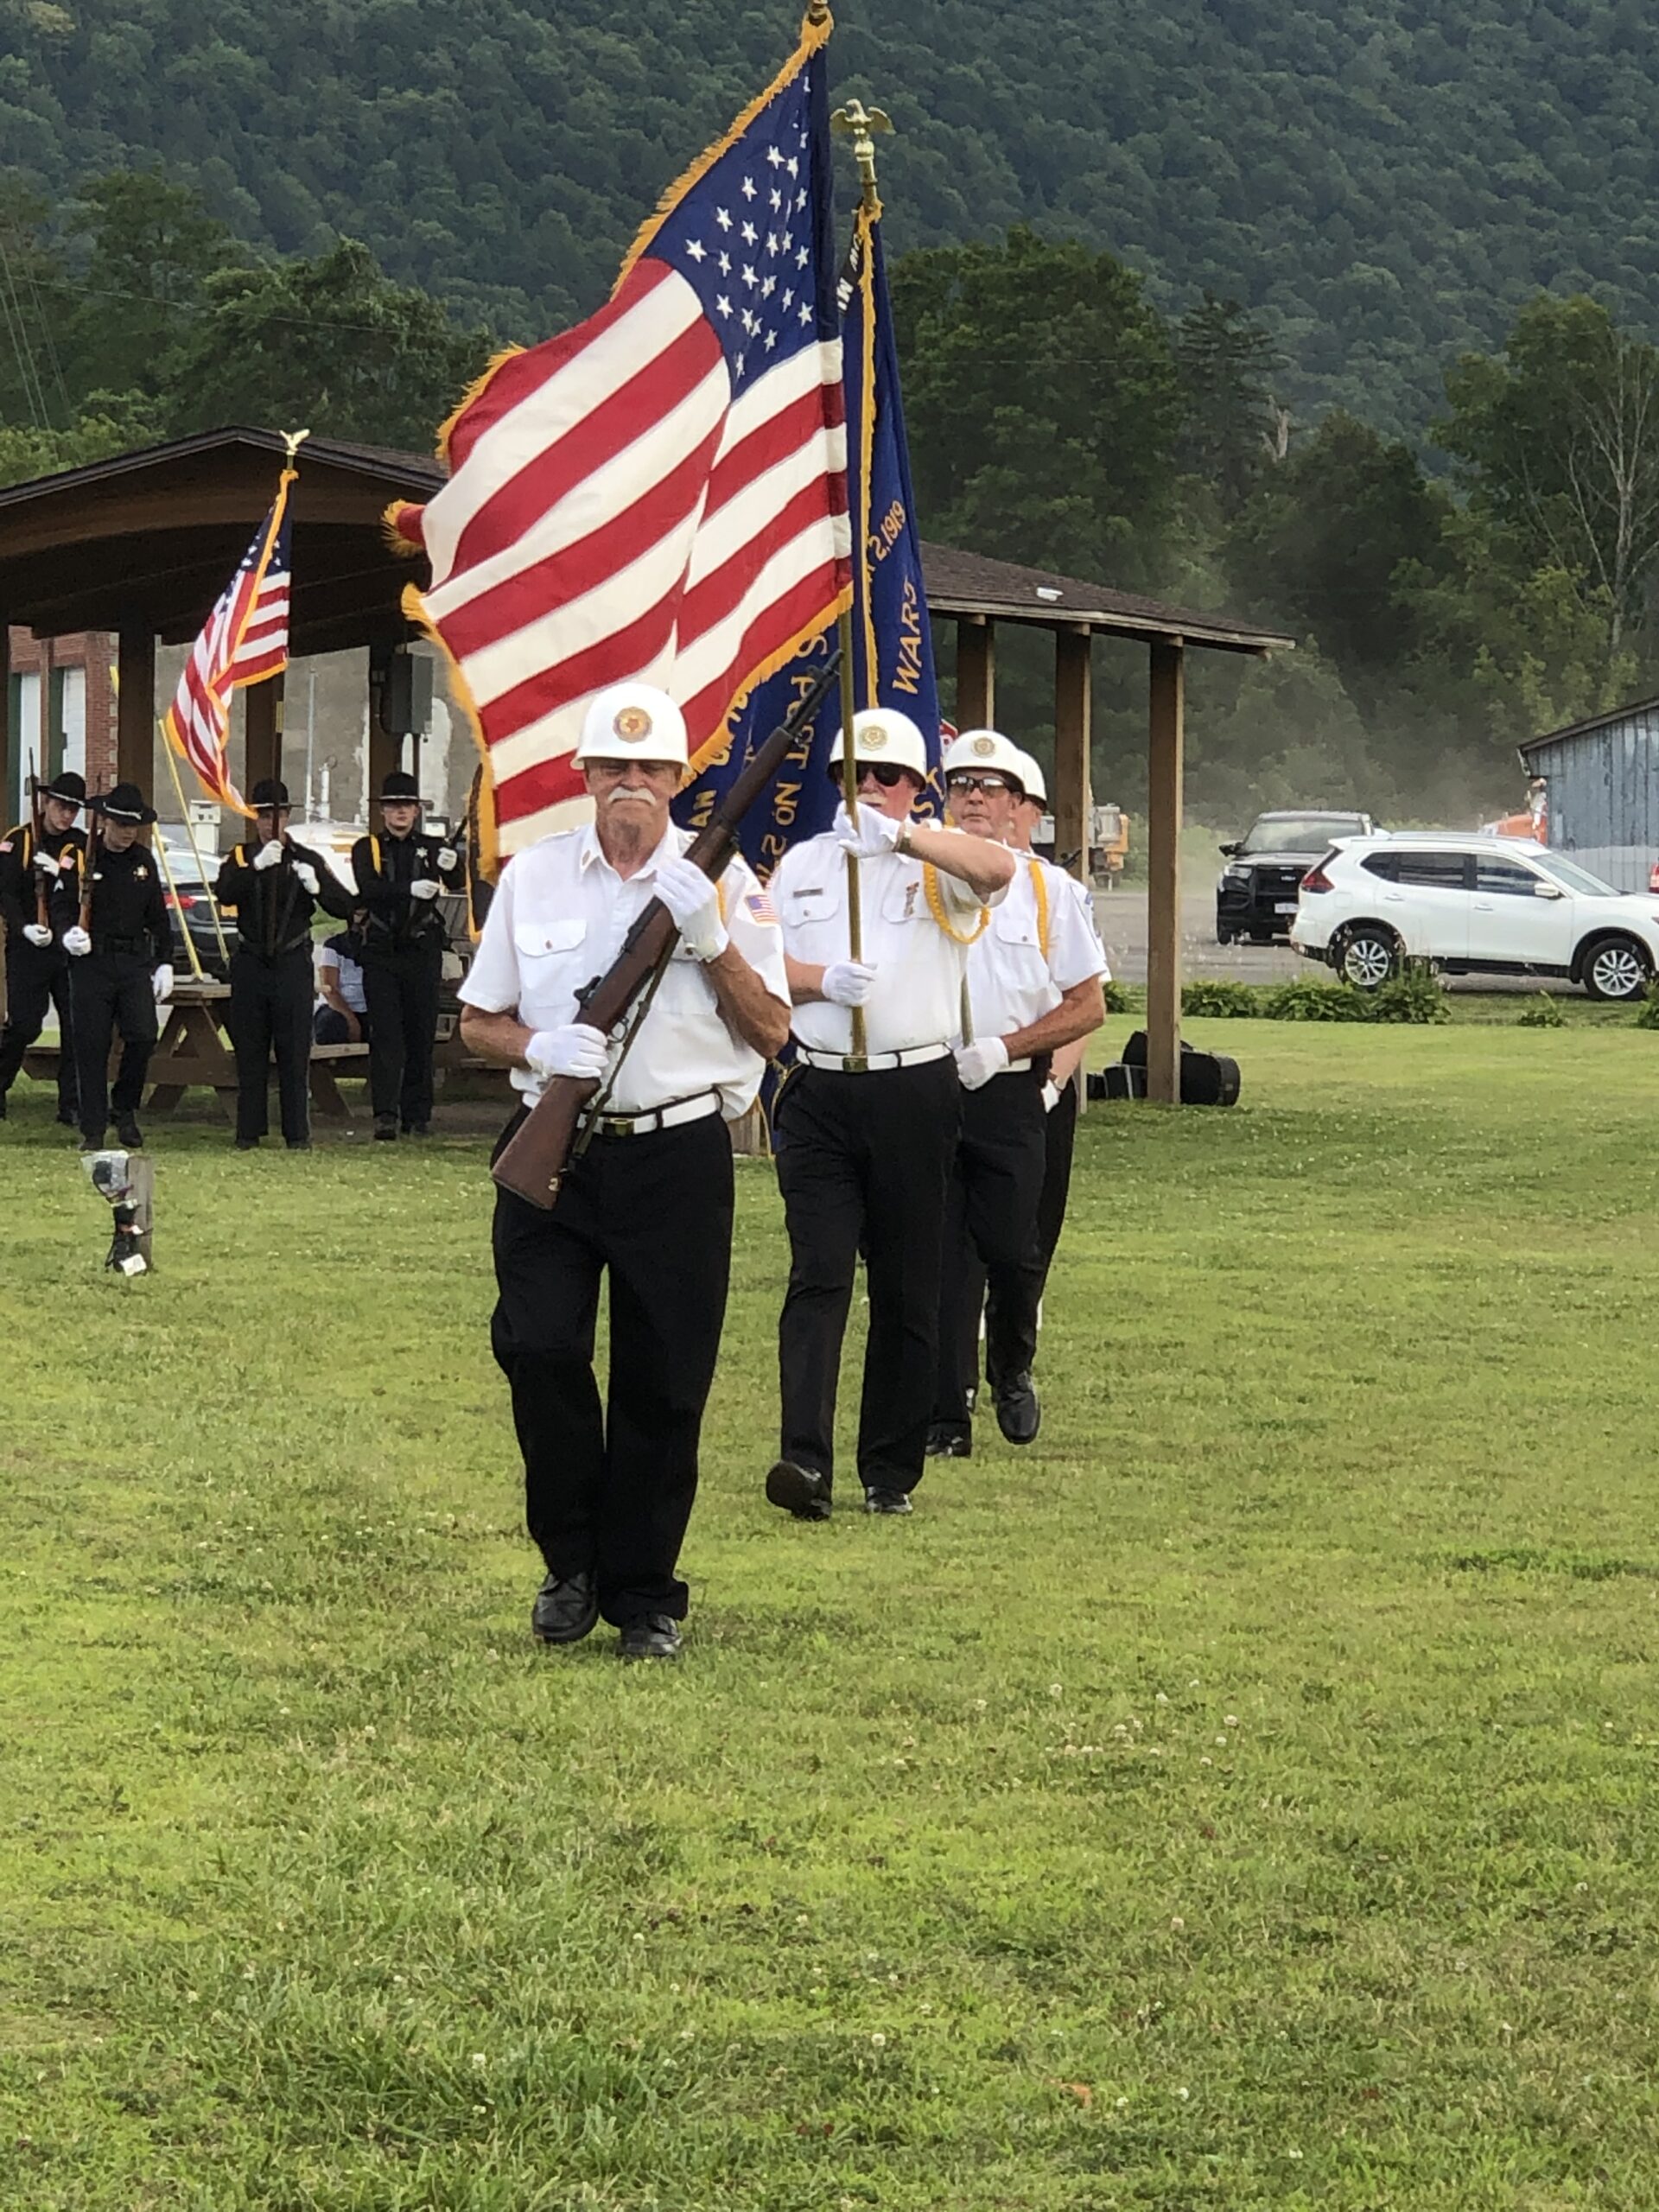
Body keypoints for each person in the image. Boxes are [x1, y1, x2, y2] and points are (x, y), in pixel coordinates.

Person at [459, 681, 791, 1662]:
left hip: (678, 1154)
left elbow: (772, 1029)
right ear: (585, 776)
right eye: (613, 767)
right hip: (554, 1147)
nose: (630, 785)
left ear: (678, 779)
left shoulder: (727, 880)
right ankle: (572, 1561)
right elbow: (479, 1021)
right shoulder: (534, 876)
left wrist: (714, 939)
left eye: (650, 769)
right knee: (538, 1347)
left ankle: (644, 1592)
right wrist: (541, 1047)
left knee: (665, 1375)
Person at [764, 708, 1016, 1524]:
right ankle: (804, 1459)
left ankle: (890, 1467)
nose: (872, 790)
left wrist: (904, 840)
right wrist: (816, 979)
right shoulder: (802, 865)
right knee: (820, 1273)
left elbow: (997, 871)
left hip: (912, 1085)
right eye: (857, 776)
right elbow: (763, 963)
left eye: (890, 777)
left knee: (908, 1282)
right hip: (821, 1087)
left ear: (918, 788)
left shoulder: (933, 860)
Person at [928, 734, 1107, 1457]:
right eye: (962, 783)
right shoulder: (919, 883)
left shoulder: (1049, 892)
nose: (975, 796)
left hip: (1013, 1085)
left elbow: (1084, 1005)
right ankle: (945, 1411)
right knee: (941, 1252)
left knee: (1013, 1247)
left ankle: (1013, 1365)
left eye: (992, 787)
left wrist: (1034, 1072)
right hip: (932, 1084)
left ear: (1021, 808)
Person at [213, 780, 356, 1151]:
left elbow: (345, 906)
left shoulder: (307, 858)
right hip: (251, 961)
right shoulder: (243, 856)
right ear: (256, 819)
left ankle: (297, 1133)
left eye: (277, 815)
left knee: (294, 1050)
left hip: (292, 962)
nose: (270, 823)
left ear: (287, 816)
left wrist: (317, 888)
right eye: (263, 815)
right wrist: (256, 870)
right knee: (250, 1050)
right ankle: (248, 1132)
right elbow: (225, 892)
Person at [54, 783, 172, 1151]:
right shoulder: (80, 857)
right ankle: (92, 1126)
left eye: (133, 827)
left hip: (134, 961)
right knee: (91, 1044)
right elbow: (59, 905)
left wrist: (165, 961)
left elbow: (159, 917)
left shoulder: (143, 862)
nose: (127, 834)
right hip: (92, 962)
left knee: (143, 1035)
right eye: (121, 825)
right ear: (105, 822)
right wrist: (67, 933)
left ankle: (124, 1108)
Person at [352, 772, 464, 1140]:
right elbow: (369, 889)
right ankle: (385, 1113)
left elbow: (459, 883)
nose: (400, 812)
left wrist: (454, 865)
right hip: (383, 952)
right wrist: (407, 888)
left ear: (417, 811)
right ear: (383, 811)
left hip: (421, 951)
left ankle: (418, 1115)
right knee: (386, 1036)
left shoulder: (432, 847)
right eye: (393, 806)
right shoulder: (366, 848)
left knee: (420, 1034)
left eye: (407, 806)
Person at [0, 768, 86, 1126]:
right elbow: (4, 891)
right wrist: (23, 928)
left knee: (76, 1026)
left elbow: (80, 878)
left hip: (65, 948)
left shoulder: (79, 842)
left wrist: (56, 871)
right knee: (24, 1025)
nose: (66, 815)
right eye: (61, 807)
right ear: (46, 803)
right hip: (27, 948)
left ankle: (71, 1103)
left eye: (72, 809)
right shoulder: (17, 840)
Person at [314, 927, 370, 1046]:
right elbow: (330, 989)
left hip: (369, 1009)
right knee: (330, 1024)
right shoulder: (333, 946)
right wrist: (351, 1020)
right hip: (337, 1009)